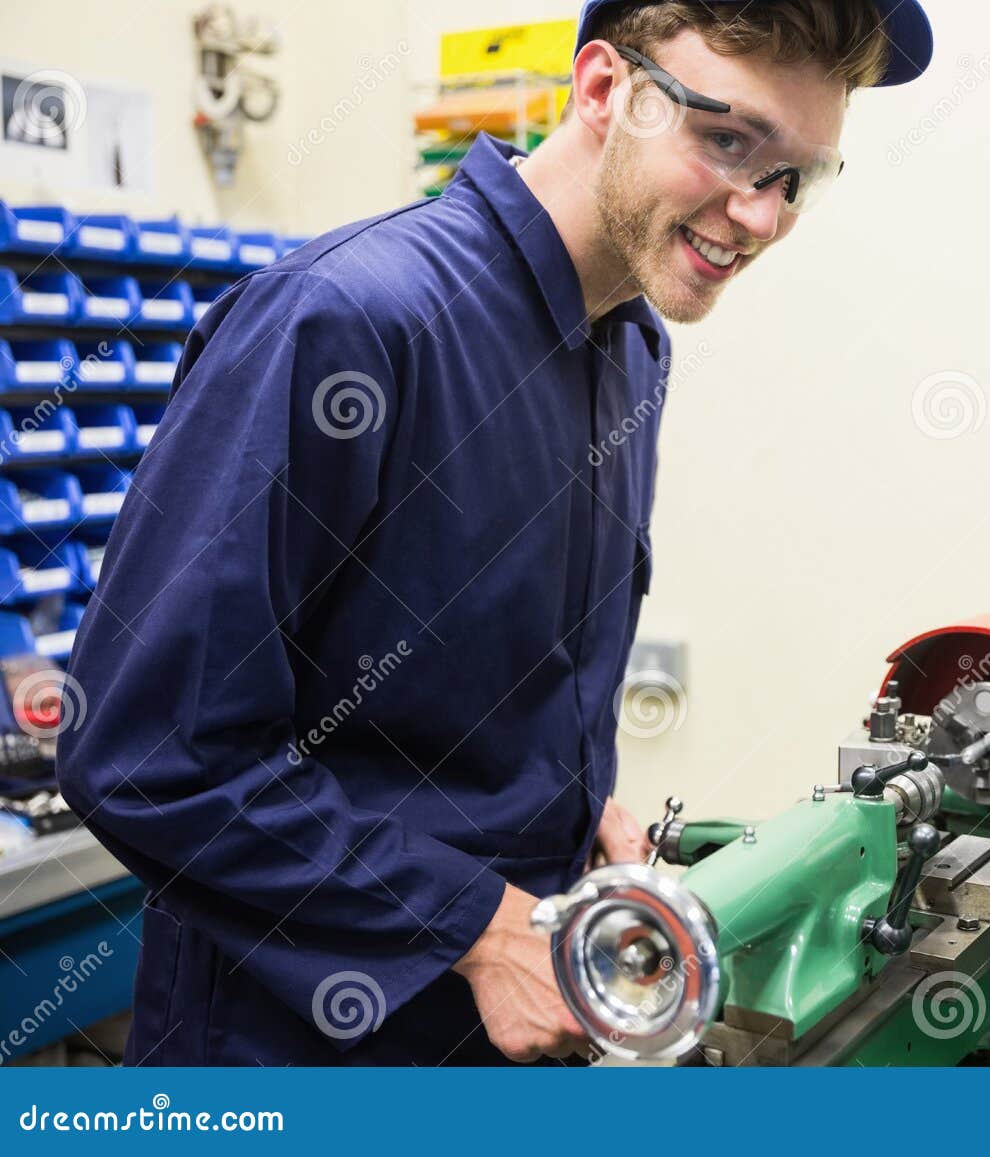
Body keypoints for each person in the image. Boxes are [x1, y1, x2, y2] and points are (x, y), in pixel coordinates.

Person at [58, 0, 932, 1065]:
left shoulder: (630, 351)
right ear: (606, 89)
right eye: (729, 141)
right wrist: (471, 926)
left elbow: (467, 686)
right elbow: (147, 752)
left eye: (797, 176)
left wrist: (579, 814)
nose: (759, 214)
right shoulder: (348, 321)